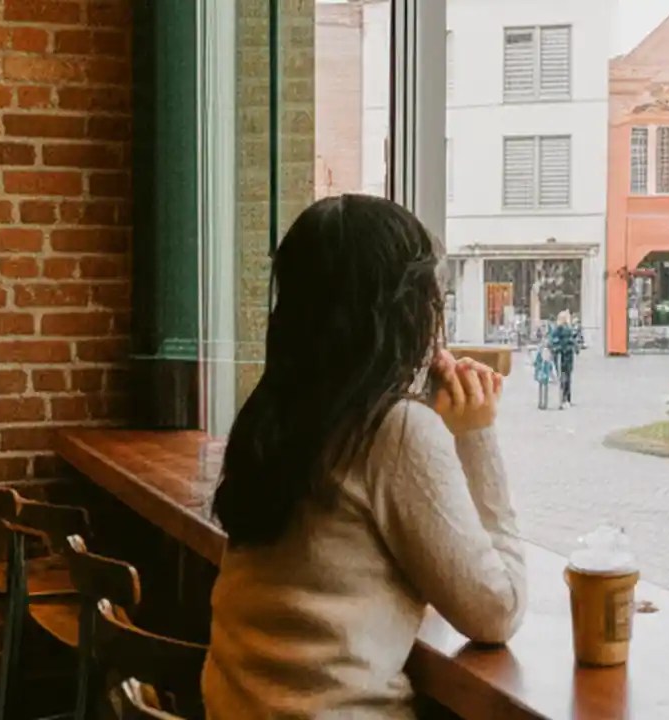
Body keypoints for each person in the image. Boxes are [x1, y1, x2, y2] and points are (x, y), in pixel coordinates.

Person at [202, 195, 526, 719]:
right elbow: (498, 610)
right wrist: (476, 434)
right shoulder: (394, 430)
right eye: (429, 296)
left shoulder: (272, 410)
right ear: (401, 311)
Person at [547, 310, 580, 408]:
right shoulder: (565, 329)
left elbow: (553, 341)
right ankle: (566, 399)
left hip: (562, 354)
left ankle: (564, 399)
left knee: (564, 377)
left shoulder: (561, 329)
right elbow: (571, 341)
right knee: (566, 377)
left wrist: (554, 348)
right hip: (566, 355)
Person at [533, 345, 555, 410]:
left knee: (541, 387)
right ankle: (544, 403)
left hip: (541, 371)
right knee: (545, 387)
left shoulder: (540, 351)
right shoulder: (547, 352)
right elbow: (550, 364)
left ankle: (541, 403)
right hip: (545, 371)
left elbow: (536, 362)